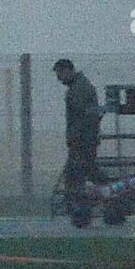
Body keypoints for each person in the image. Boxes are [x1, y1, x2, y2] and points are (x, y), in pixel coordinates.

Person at [53, 58, 104, 224]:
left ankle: (77, 209)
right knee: (87, 172)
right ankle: (112, 197)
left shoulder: (79, 89)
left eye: (60, 73)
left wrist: (77, 138)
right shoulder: (79, 87)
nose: (59, 78)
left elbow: (86, 117)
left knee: (75, 176)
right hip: (84, 139)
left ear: (68, 70)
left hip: (82, 141)